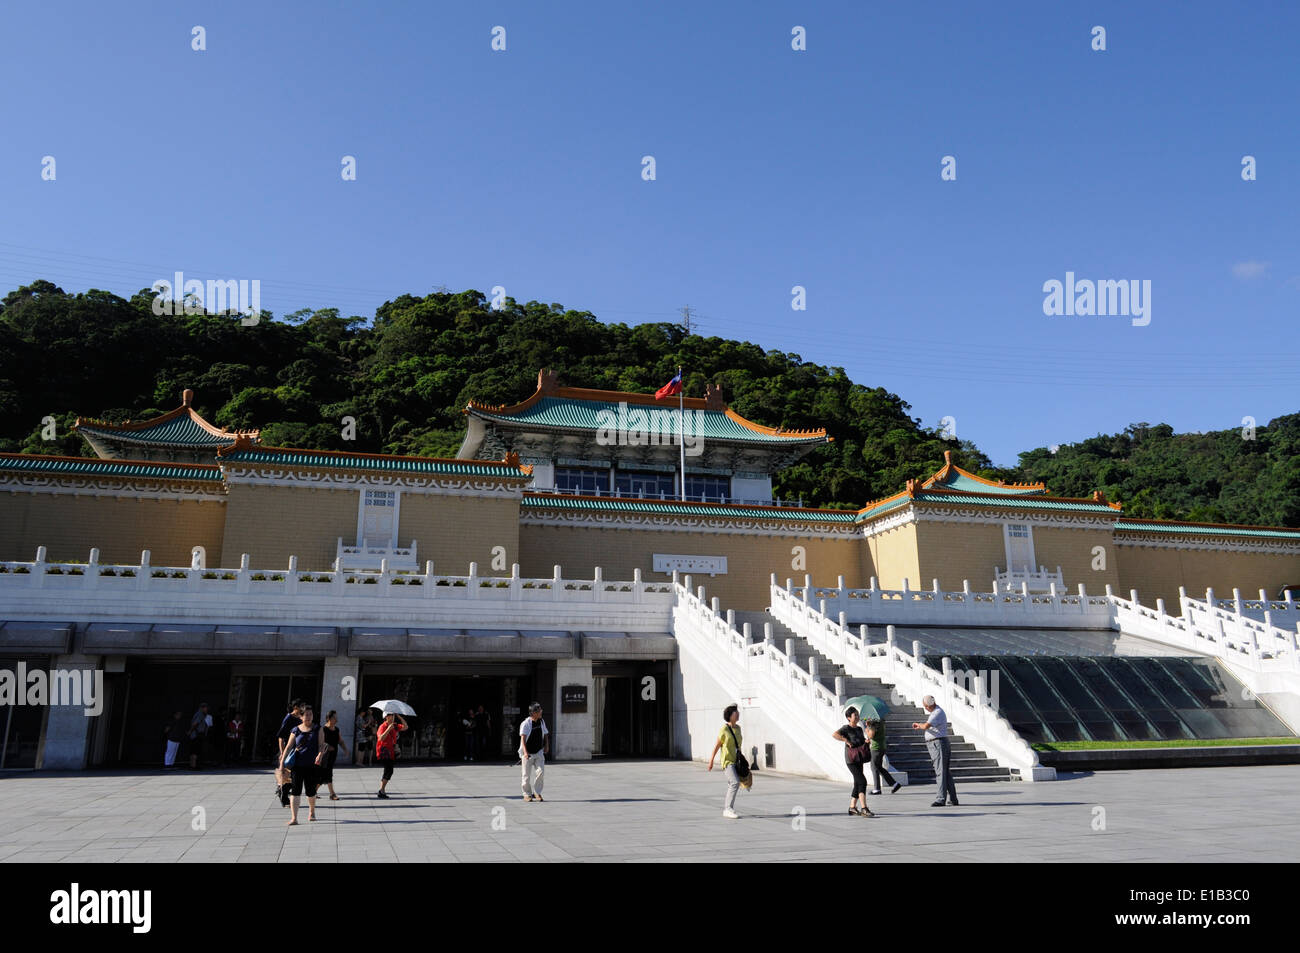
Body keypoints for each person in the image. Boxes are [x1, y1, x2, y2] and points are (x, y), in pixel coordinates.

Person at [279, 705, 325, 825]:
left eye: (311, 714)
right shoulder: (296, 730)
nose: (309, 717)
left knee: (310, 791)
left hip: (312, 765)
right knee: (295, 791)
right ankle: (294, 818)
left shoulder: (318, 729)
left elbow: (322, 745)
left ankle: (312, 811)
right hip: (297, 765)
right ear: (301, 716)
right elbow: (288, 747)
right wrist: (282, 763)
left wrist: (320, 755)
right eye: (306, 715)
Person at [913, 695, 959, 807]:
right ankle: (953, 799)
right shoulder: (936, 712)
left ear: (928, 706)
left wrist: (918, 725)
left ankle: (940, 798)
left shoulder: (937, 713)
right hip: (938, 743)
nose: (924, 708)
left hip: (938, 744)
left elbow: (926, 726)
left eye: (925, 706)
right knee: (945, 772)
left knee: (940, 772)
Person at [831, 706, 875, 817]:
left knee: (857, 782)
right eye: (855, 715)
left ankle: (852, 807)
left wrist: (866, 742)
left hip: (859, 758)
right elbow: (834, 734)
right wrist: (845, 740)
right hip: (851, 759)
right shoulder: (846, 728)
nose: (857, 717)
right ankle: (864, 808)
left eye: (858, 715)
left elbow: (860, 743)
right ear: (849, 717)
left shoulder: (859, 729)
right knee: (862, 781)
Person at [706, 704, 745, 819]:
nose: (738, 713)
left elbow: (738, 746)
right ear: (730, 715)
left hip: (735, 760)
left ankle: (728, 808)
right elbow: (717, 746)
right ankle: (728, 809)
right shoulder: (724, 729)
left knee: (732, 783)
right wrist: (711, 761)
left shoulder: (738, 728)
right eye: (735, 712)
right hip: (727, 761)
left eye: (737, 711)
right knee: (735, 782)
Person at [518, 703, 549, 802]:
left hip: (539, 751)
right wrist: (525, 753)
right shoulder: (526, 723)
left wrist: (547, 745)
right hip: (528, 753)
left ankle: (537, 792)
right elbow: (523, 738)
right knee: (526, 775)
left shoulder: (541, 721)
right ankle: (527, 794)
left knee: (540, 772)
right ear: (534, 713)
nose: (541, 712)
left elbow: (546, 733)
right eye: (539, 710)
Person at [865, 716, 902, 796]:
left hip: (876, 748)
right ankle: (894, 784)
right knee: (879, 767)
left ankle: (877, 789)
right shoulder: (881, 721)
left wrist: (867, 728)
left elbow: (871, 735)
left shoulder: (873, 723)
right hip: (882, 746)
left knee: (874, 767)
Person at [375, 711, 407, 799]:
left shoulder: (395, 725)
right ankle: (381, 790)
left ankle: (382, 790)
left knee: (389, 770)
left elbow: (405, 727)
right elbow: (381, 738)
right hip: (384, 752)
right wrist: (388, 728)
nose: (392, 717)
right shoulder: (382, 726)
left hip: (391, 751)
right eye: (390, 715)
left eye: (393, 715)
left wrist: (399, 717)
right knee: (389, 770)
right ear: (386, 717)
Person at [319, 710, 349, 800]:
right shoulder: (323, 729)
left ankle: (313, 791)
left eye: (336, 717)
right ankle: (332, 794)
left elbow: (340, 741)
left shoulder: (336, 729)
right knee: (328, 773)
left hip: (333, 755)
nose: (336, 720)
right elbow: (320, 742)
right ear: (328, 718)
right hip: (324, 756)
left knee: (324, 775)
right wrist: (327, 747)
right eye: (334, 718)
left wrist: (345, 749)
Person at [188, 702, 210, 770]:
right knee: (195, 751)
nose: (207, 709)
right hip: (196, 735)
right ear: (202, 708)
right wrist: (190, 731)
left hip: (195, 735)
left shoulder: (201, 714)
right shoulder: (200, 714)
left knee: (193, 750)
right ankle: (193, 766)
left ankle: (192, 765)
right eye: (206, 708)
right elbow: (195, 724)